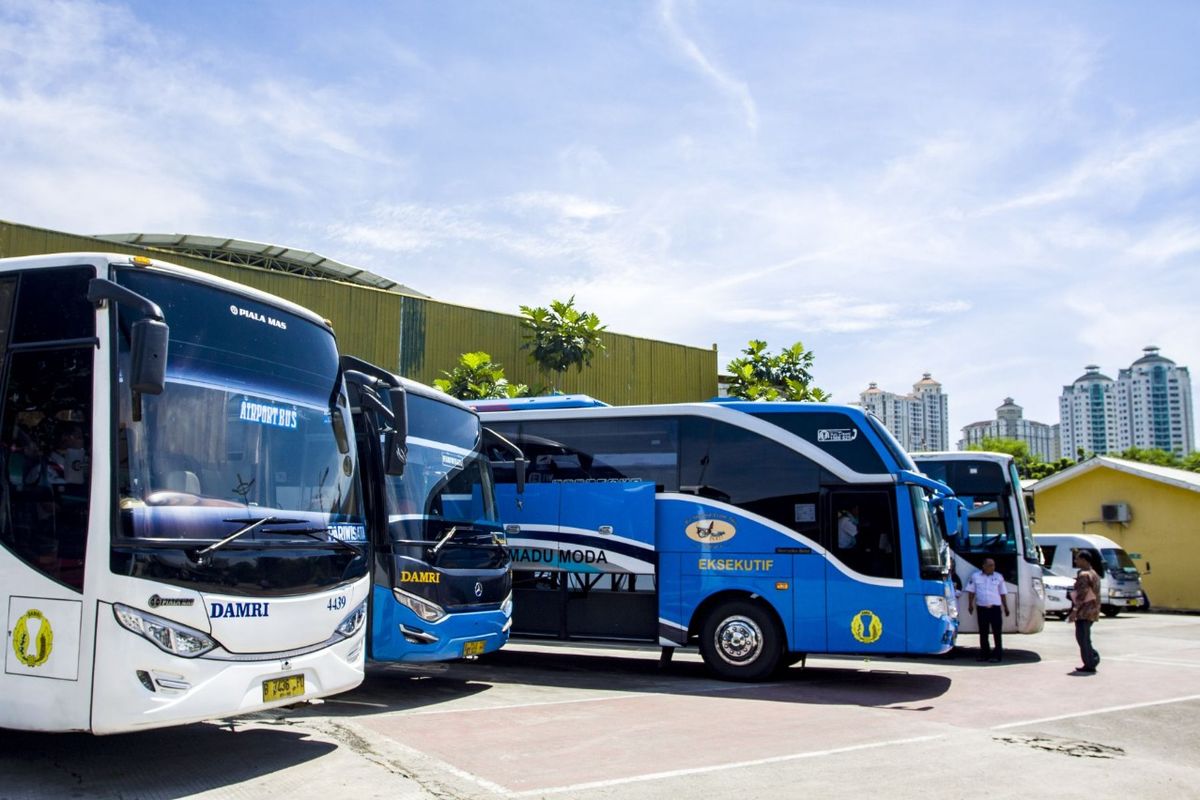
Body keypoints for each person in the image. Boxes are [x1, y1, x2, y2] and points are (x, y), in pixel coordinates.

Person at [966, 558, 1009, 662]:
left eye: (993, 565)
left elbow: (1002, 593)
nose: (992, 567)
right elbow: (971, 592)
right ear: (984, 566)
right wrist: (970, 605)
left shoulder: (998, 577)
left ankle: (997, 655)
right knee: (983, 633)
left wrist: (1006, 607)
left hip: (995, 608)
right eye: (990, 565)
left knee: (997, 632)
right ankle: (984, 654)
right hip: (982, 608)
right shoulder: (975, 576)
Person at [1069, 550, 1101, 673]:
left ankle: (1090, 662)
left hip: (1084, 611)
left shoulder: (1084, 575)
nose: (1075, 561)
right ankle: (1091, 659)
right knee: (1085, 637)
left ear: (1084, 560)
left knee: (1082, 638)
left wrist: (1074, 611)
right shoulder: (1094, 574)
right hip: (1093, 610)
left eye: (1077, 558)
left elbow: (1081, 595)